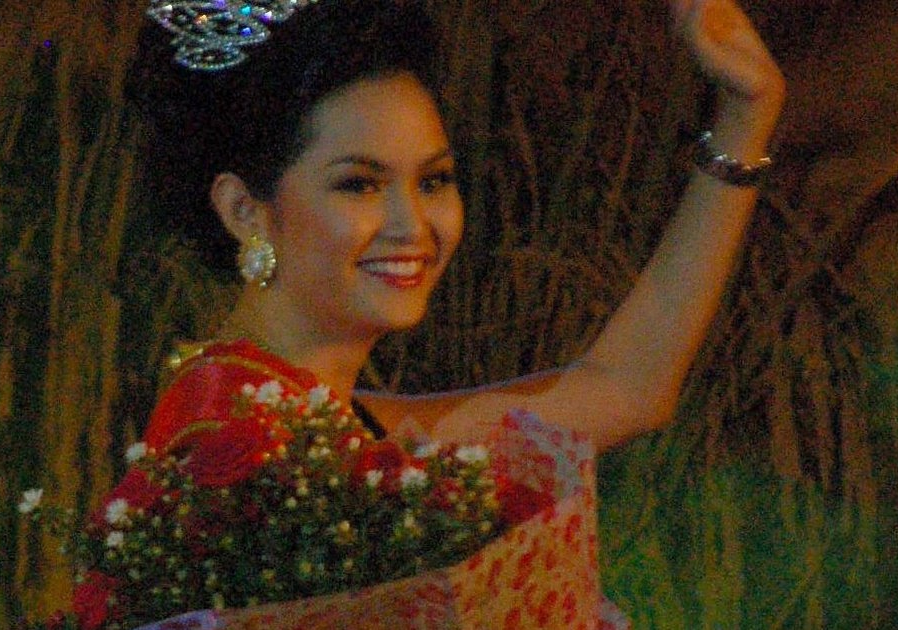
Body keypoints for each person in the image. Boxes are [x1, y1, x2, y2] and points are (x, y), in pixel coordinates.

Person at [115, 0, 785, 625]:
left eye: (433, 180)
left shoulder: (317, 419)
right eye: (360, 184)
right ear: (243, 210)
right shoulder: (234, 439)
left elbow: (624, 389)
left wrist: (745, 114)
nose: (414, 225)